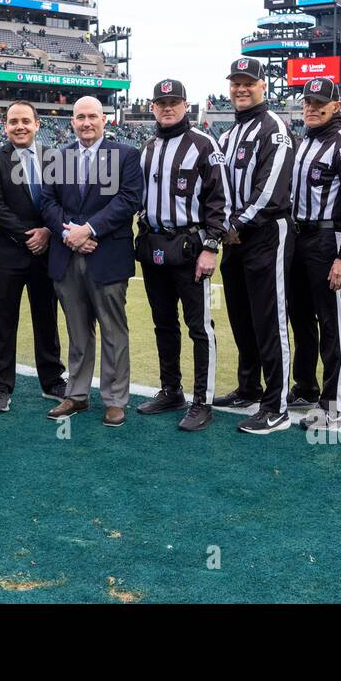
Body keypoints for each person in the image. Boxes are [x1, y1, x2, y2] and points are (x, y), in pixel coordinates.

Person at [40, 95, 143, 427]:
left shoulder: (126, 155)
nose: (86, 122)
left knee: (113, 329)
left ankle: (115, 399)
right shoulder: (58, 157)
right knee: (77, 330)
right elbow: (47, 202)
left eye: (92, 117)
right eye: (80, 117)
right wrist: (71, 233)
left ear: (104, 119)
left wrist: (89, 229)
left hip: (107, 254)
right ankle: (77, 394)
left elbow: (129, 199)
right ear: (72, 121)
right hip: (67, 255)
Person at [210, 57, 296, 435]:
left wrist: (233, 224)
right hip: (234, 239)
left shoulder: (274, 128)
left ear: (263, 86)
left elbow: (271, 191)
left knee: (270, 319)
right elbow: (218, 189)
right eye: (235, 83)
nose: (241, 89)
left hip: (265, 235)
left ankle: (276, 406)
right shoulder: (228, 136)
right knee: (241, 315)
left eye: (248, 82)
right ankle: (249, 387)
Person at [134, 79, 226, 432]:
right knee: (163, 323)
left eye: (174, 101)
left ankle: (202, 401)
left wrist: (211, 246)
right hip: (154, 245)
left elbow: (220, 201)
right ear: (153, 107)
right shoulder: (147, 148)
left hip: (190, 248)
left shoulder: (204, 145)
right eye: (161, 102)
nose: (167, 107)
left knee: (199, 327)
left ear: (186, 105)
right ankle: (171, 389)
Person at [286, 78, 341, 429]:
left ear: (336, 106)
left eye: (320, 102)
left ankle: (334, 404)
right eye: (307, 102)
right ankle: (305, 385)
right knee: (300, 317)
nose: (311, 108)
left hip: (326, 239)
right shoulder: (305, 141)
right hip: (299, 237)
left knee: (331, 322)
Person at [0, 100, 68, 413]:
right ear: (5, 126)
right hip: (9, 254)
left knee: (47, 318)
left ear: (36, 124)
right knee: (2, 321)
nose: (20, 126)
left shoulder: (53, 159)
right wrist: (29, 235)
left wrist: (47, 231)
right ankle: (0, 387)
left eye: (25, 121)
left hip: (46, 254)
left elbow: (62, 202)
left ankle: (52, 380)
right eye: (13, 121)